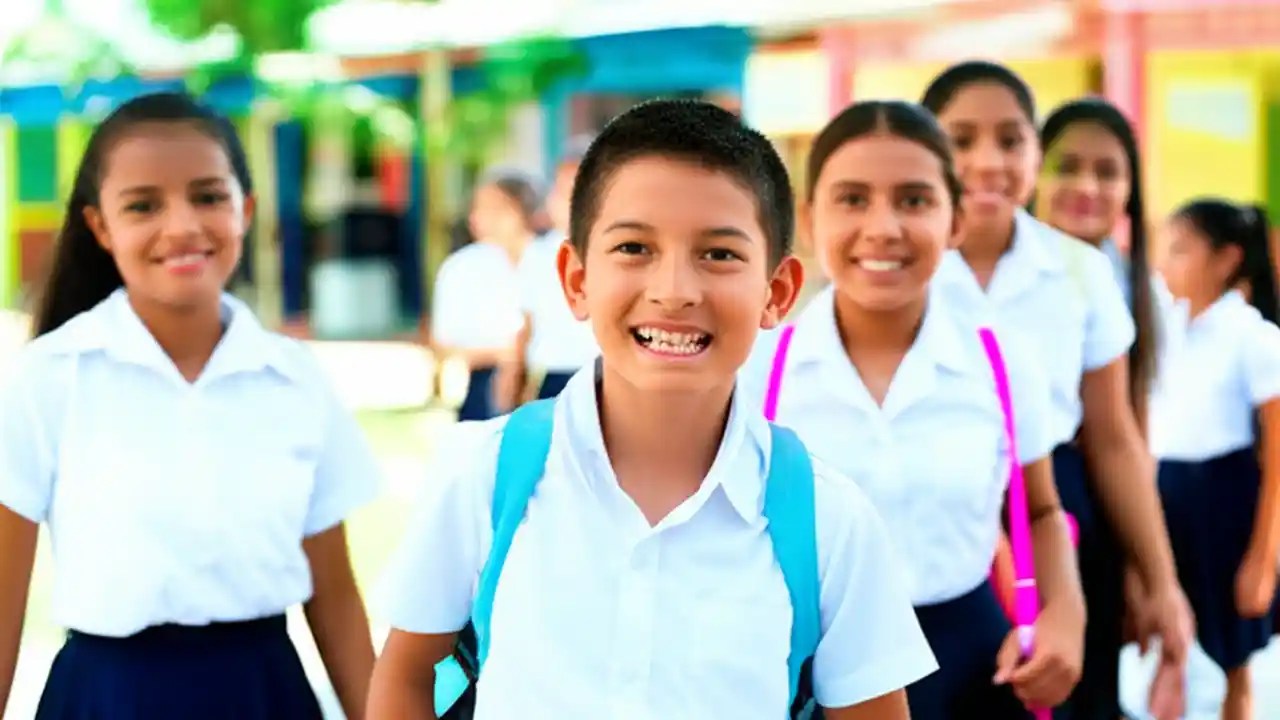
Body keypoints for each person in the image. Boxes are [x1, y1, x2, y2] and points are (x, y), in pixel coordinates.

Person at [366, 99, 937, 719]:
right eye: (634, 247)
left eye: (718, 254)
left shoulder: (831, 520)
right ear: (576, 280)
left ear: (777, 293)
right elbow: (406, 675)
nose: (673, 291)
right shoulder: (486, 473)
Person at [0, 92, 379, 719]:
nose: (181, 226)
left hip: (264, 695)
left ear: (246, 209)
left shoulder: (294, 380)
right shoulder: (51, 378)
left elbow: (335, 597)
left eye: (208, 196)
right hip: (106, 699)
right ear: (100, 226)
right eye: (143, 205)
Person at [744, 99, 1084, 719]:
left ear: (955, 219)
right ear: (808, 218)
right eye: (851, 199)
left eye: (914, 200)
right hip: (804, 673)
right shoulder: (756, 370)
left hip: (973, 668)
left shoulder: (1003, 362)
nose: (883, 227)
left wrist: (1065, 613)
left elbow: (1039, 508)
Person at [919, 62, 1193, 720]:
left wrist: (1160, 579)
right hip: (934, 513)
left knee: (1064, 697)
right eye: (961, 138)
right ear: (926, 148)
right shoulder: (901, 267)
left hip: (1060, 523)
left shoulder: (1080, 271)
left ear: (1034, 154)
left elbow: (1115, 439)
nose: (988, 161)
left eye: (1011, 140)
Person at [1152, 199, 1280, 720]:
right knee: (1168, 651)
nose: (1165, 264)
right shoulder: (1167, 331)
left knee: (1232, 662)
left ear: (1227, 259)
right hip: (1166, 501)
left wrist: (1263, 558)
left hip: (1224, 513)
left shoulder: (1254, 337)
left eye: (1181, 250)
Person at [1037, 98, 1161, 432]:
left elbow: (1139, 420)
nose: (1086, 187)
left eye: (1107, 173)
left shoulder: (1144, 293)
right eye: (1066, 168)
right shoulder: (998, 278)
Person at [430, 170, 540, 420]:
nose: (479, 218)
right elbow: (445, 344)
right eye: (477, 208)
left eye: (495, 208)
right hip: (485, 386)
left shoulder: (551, 259)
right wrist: (507, 357)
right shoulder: (462, 267)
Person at [504, 141, 600, 404]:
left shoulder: (618, 253)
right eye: (560, 191)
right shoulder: (538, 255)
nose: (566, 202)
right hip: (552, 376)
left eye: (577, 192)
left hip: (603, 375)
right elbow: (526, 325)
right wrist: (513, 378)